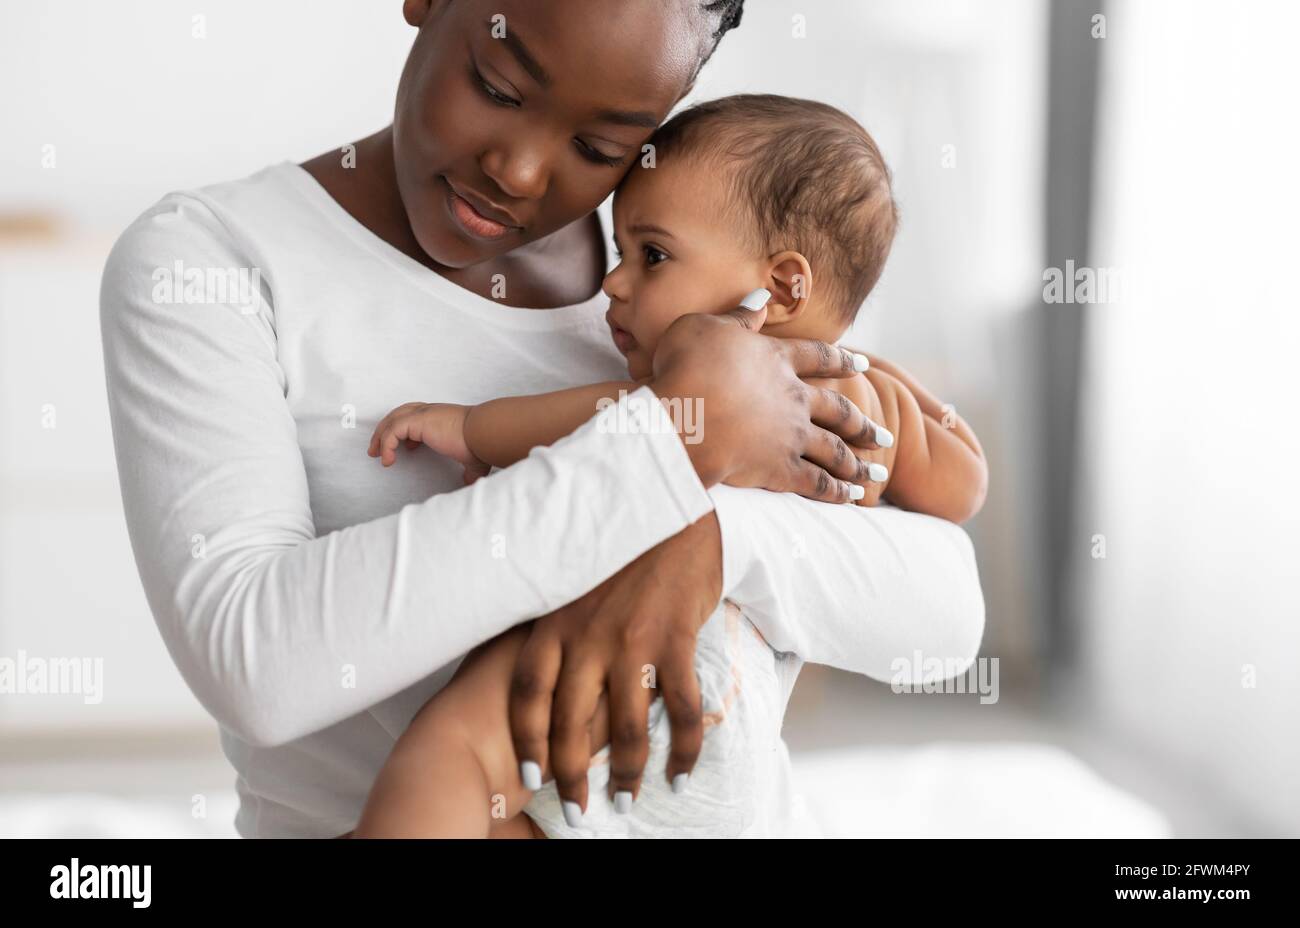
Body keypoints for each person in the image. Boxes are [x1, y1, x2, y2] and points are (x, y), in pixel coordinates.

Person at [99, 0, 984, 838]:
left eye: (602, 145)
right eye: (497, 85)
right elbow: (255, 663)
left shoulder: (690, 282)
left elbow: (946, 616)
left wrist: (711, 538)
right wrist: (669, 452)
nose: (519, 170)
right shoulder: (213, 262)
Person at [355, 94, 988, 837]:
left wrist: (473, 429)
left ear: (781, 287)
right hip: (725, 736)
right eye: (621, 252)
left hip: (607, 661)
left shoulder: (717, 377)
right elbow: (962, 486)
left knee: (452, 756)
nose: (614, 284)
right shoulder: (868, 397)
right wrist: (906, 402)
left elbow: (607, 422)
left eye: (652, 255)